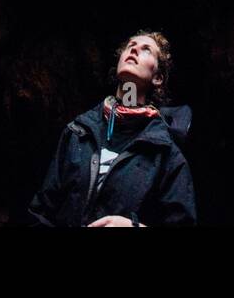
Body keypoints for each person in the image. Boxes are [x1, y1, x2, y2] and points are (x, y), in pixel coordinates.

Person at [27, 30, 197, 227]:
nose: (133, 49)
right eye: (130, 46)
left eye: (146, 50)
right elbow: (41, 213)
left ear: (157, 78)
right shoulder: (77, 133)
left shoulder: (167, 155)